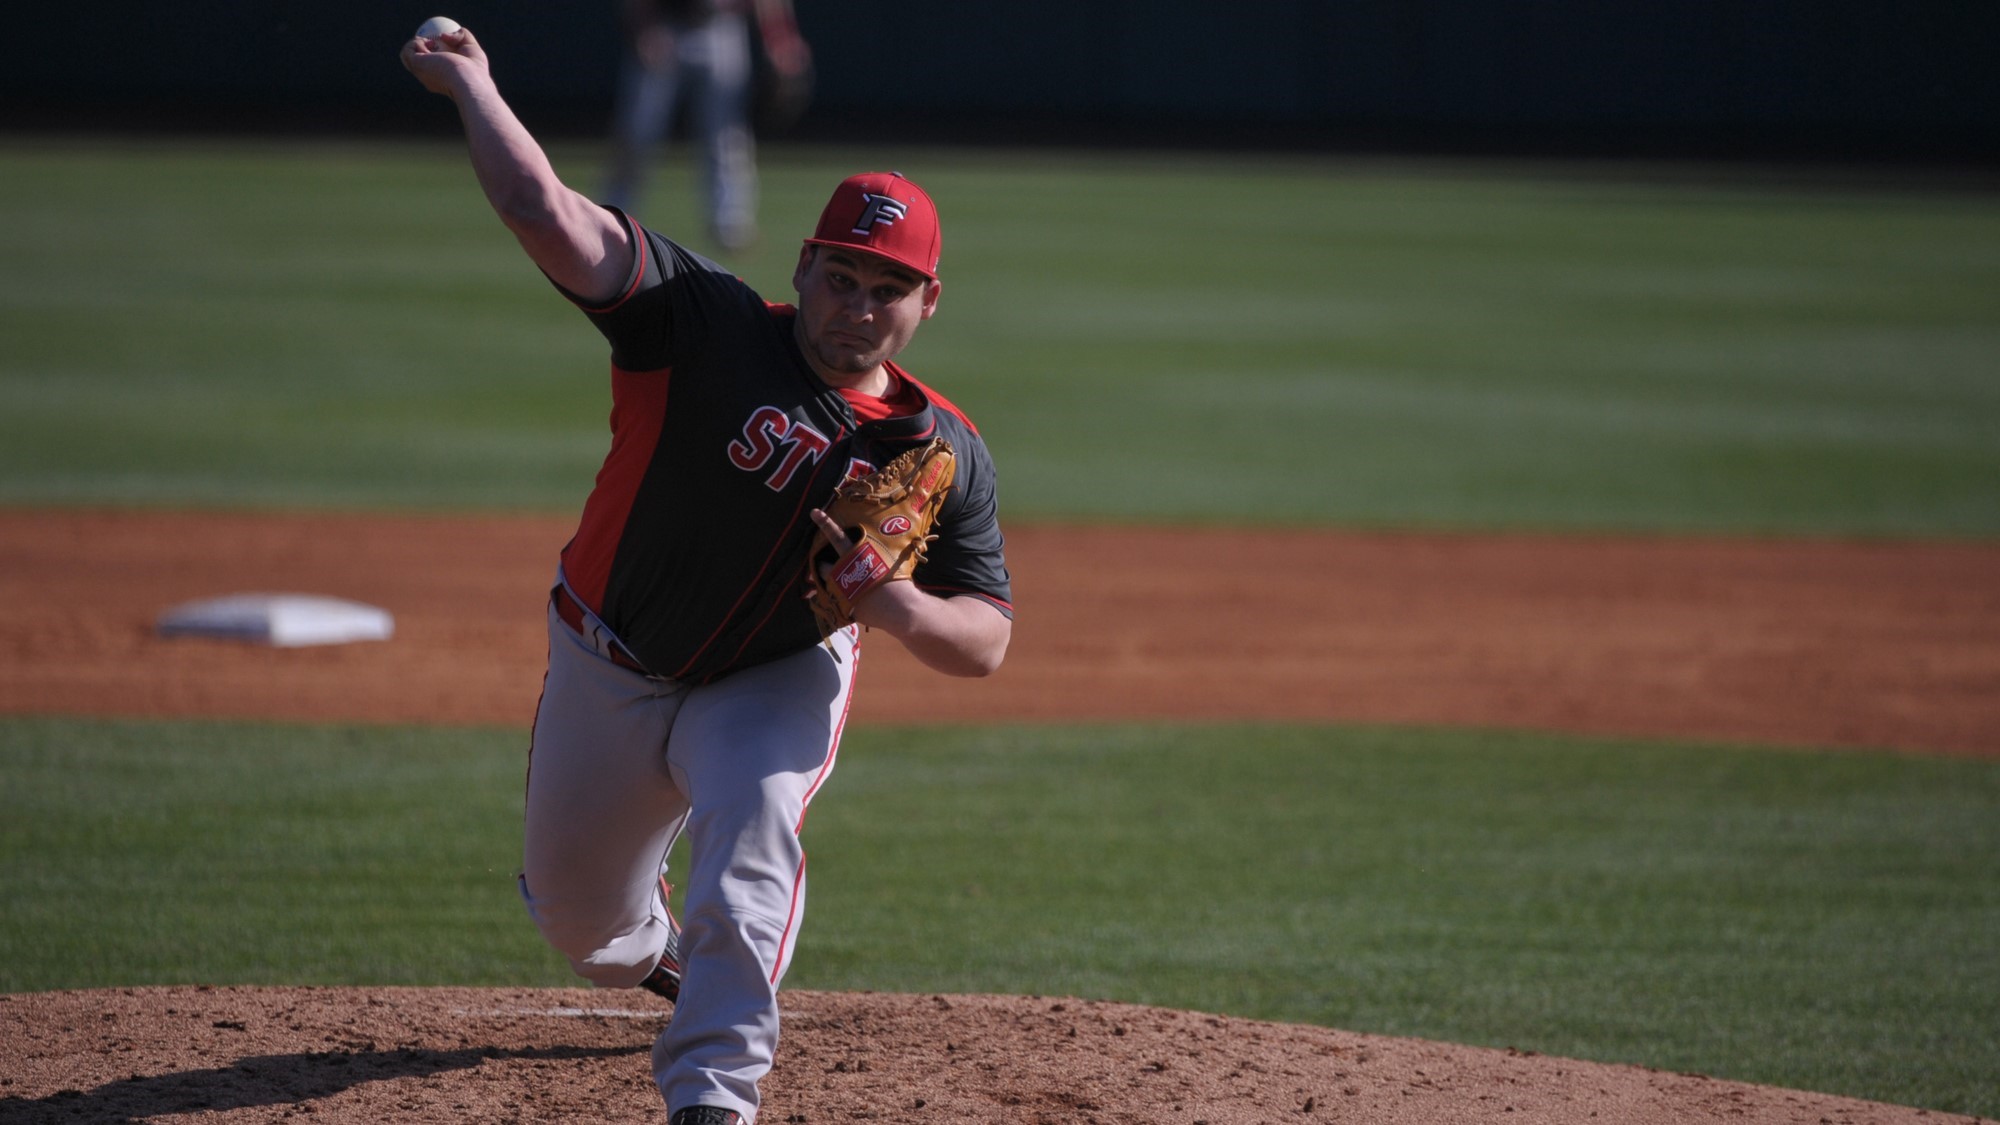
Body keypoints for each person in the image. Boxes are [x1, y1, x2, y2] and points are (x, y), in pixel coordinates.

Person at [402, 22, 1011, 1125]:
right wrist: (473, 87)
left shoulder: (942, 448)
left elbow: (985, 641)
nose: (856, 307)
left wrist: (898, 607)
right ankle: (651, 957)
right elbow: (546, 212)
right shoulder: (699, 323)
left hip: (776, 672)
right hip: (610, 654)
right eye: (839, 277)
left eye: (887, 288)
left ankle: (713, 1100)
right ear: (801, 270)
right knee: (581, 926)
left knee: (757, 833)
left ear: (927, 303)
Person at [601, 0, 812, 251]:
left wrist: (780, 37)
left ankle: (730, 222)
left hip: (722, 28)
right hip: (664, 27)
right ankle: (613, 213)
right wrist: (644, 28)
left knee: (727, 138)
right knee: (637, 132)